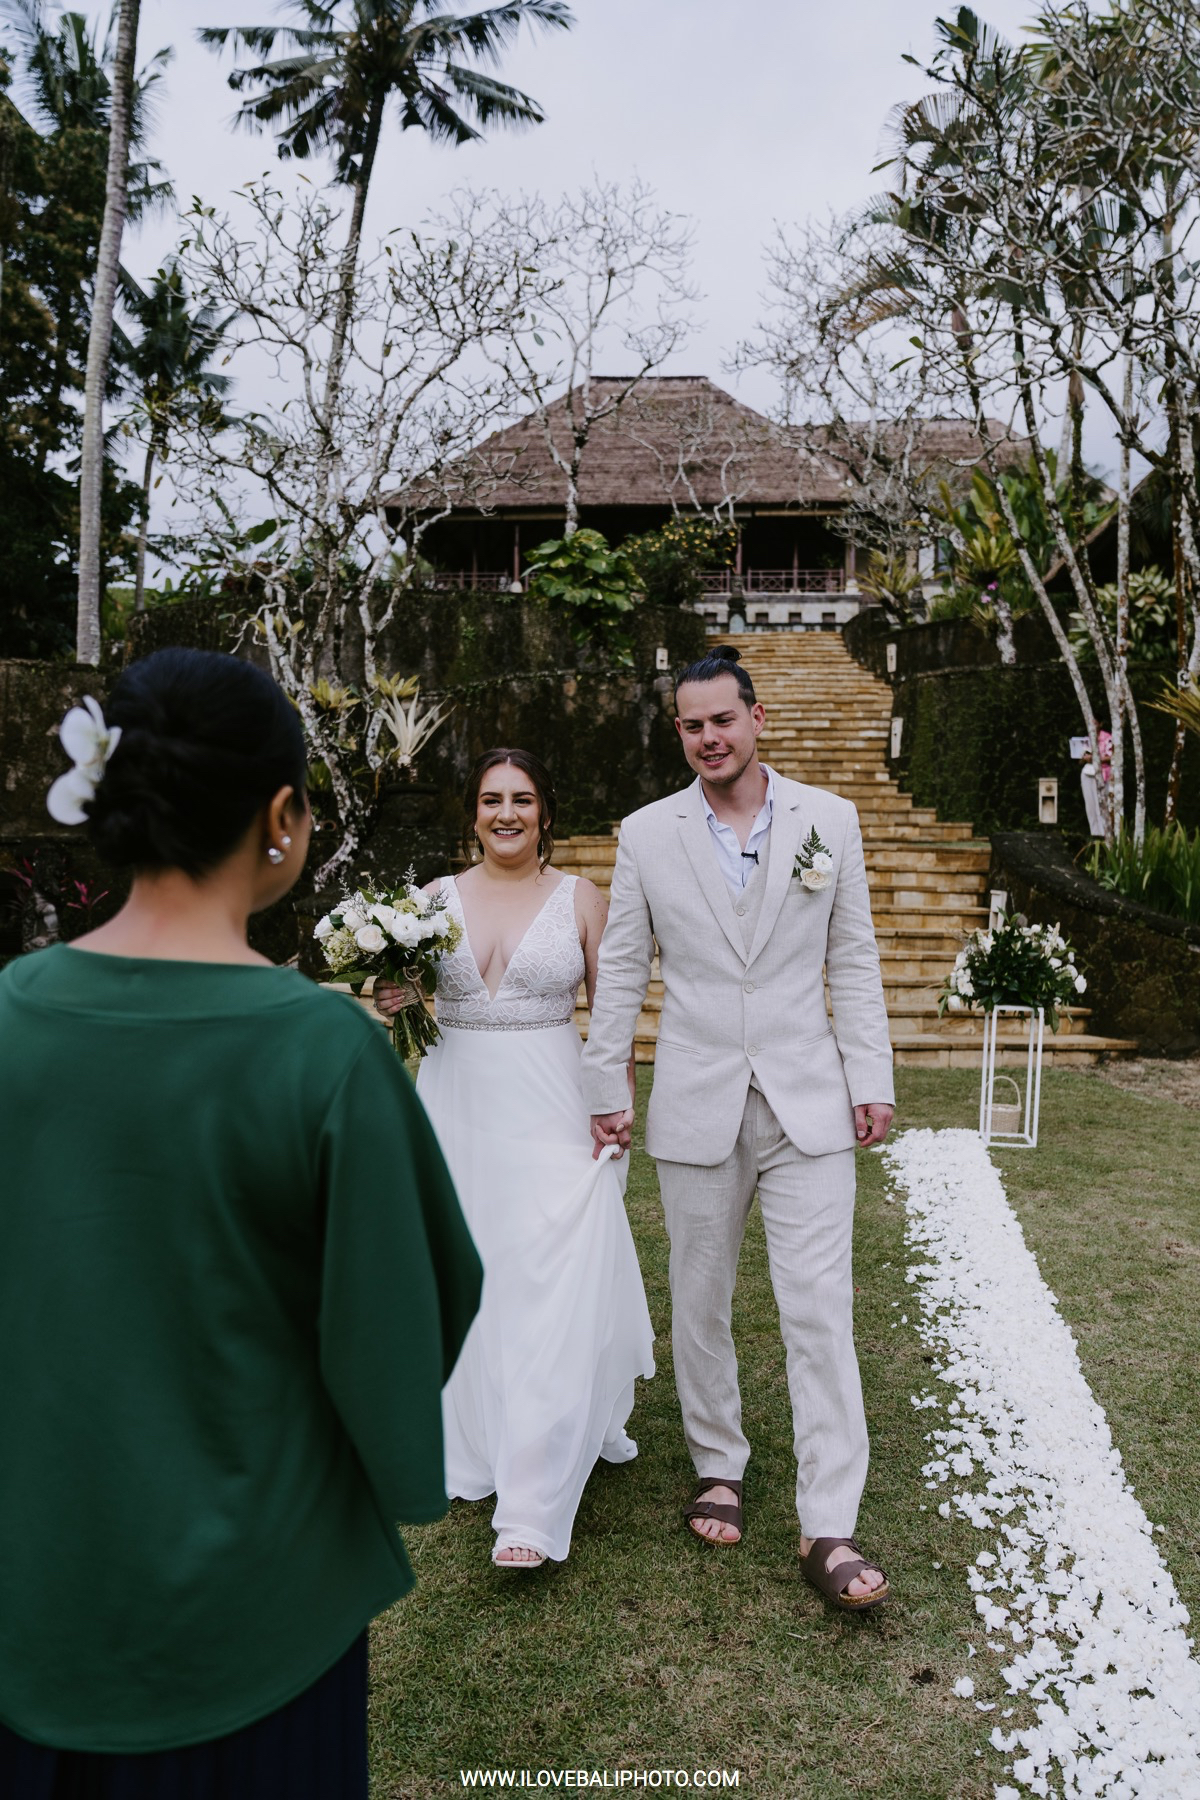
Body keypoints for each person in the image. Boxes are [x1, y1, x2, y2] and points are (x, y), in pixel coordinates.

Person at [0, 648, 481, 1799]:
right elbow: (412, 1308)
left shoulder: (10, 1023)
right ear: (282, 816)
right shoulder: (320, 1051)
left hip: (38, 1590)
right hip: (261, 1611)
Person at [581, 646, 896, 1612]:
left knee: (817, 1308)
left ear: (756, 719)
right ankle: (719, 1463)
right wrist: (608, 1081)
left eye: (723, 720)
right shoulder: (646, 834)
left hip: (808, 1097)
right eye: (691, 724)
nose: (709, 738)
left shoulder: (828, 822)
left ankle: (826, 1518)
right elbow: (624, 967)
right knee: (701, 1299)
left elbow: (853, 960)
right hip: (695, 1095)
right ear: (677, 732)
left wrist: (870, 1077)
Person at [375, 748, 654, 1570]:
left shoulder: (581, 899)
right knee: (466, 1270)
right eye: (492, 799)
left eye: (522, 799)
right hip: (455, 1101)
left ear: (545, 812)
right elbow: (405, 1000)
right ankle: (471, 1436)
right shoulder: (429, 901)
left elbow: (612, 1016)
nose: (507, 813)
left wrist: (617, 1102)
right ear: (472, 813)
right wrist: (394, 996)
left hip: (552, 1103)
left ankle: (531, 1505)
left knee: (548, 1277)